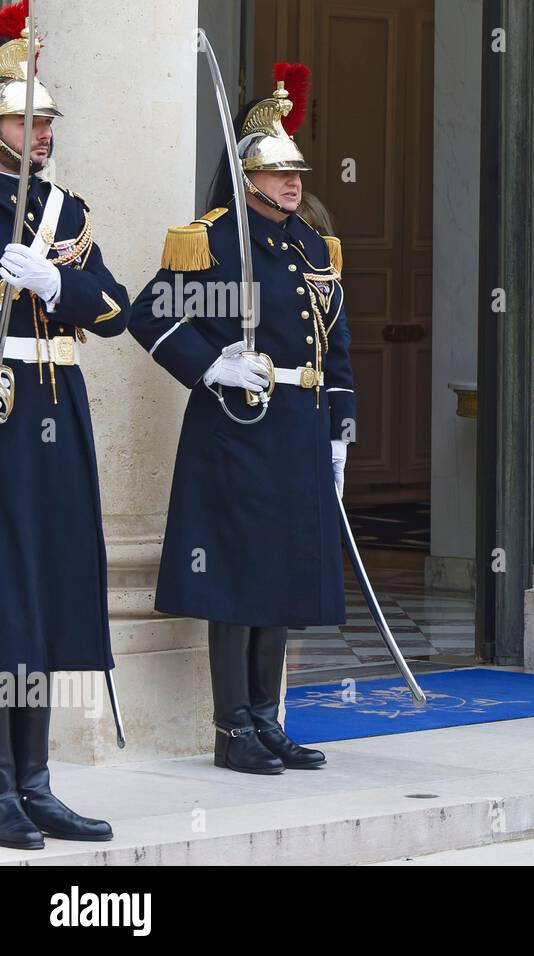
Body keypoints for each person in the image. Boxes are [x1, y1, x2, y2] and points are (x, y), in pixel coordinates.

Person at [128, 64, 355, 772]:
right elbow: (148, 315)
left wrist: (341, 432)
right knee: (237, 580)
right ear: (248, 177)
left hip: (298, 426)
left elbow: (335, 346)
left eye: (297, 173)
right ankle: (233, 731)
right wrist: (210, 364)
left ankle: (267, 717)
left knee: (282, 577)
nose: (293, 184)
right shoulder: (212, 239)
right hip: (238, 426)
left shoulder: (311, 245)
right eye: (278, 173)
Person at [0, 6, 124, 849]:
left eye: (47, 120)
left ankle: (36, 781)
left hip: (57, 411)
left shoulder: (64, 212)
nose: (41, 132)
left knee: (44, 595)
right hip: (4, 408)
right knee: (6, 598)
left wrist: (55, 285)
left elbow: (112, 308)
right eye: (25, 118)